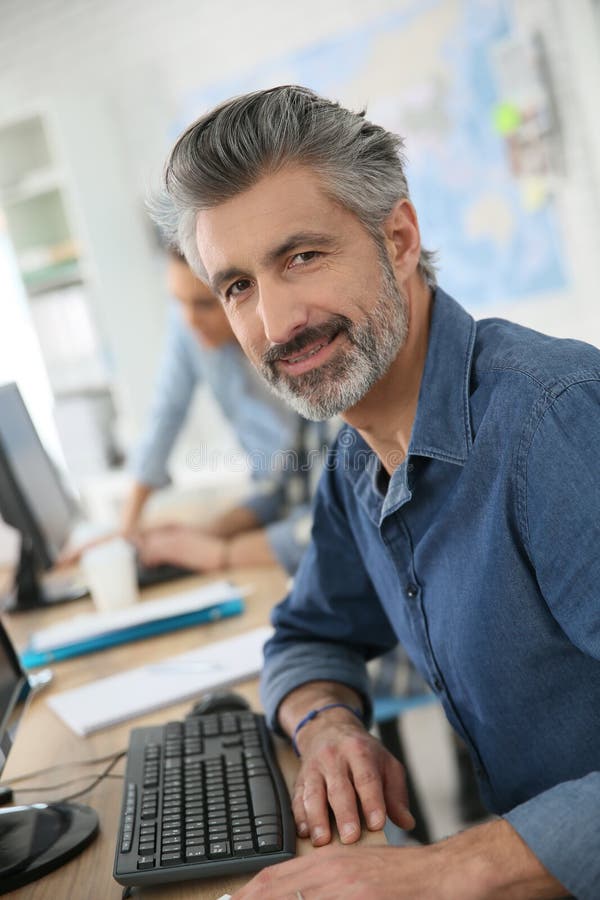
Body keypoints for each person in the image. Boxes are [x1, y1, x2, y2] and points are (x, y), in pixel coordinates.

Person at [157, 85, 600, 898]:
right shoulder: (356, 458)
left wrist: (445, 870)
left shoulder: (556, 425)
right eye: (238, 287)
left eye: (301, 257)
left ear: (397, 237)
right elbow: (306, 637)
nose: (276, 321)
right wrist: (327, 725)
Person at [102, 250, 326, 575]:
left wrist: (222, 552)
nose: (189, 319)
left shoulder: (309, 355)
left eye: (204, 304)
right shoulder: (190, 326)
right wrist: (130, 527)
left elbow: (327, 522)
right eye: (178, 303)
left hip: (304, 512)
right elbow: (167, 411)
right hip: (280, 497)